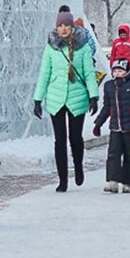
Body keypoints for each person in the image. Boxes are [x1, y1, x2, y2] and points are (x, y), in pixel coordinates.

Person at [33, 10, 99, 192]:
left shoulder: (83, 46)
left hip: (77, 97)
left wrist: (94, 96)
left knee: (75, 138)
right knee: (59, 140)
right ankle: (62, 179)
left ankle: (78, 166)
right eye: (60, 25)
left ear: (72, 27)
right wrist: (38, 99)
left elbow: (89, 73)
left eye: (66, 25)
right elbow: (44, 73)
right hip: (56, 97)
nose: (63, 29)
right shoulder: (51, 47)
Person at [93, 59, 130, 194]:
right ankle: (112, 181)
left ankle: (128, 181)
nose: (118, 74)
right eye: (115, 71)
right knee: (113, 153)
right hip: (115, 126)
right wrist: (98, 123)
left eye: (121, 71)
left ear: (127, 71)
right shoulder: (109, 86)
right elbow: (107, 107)